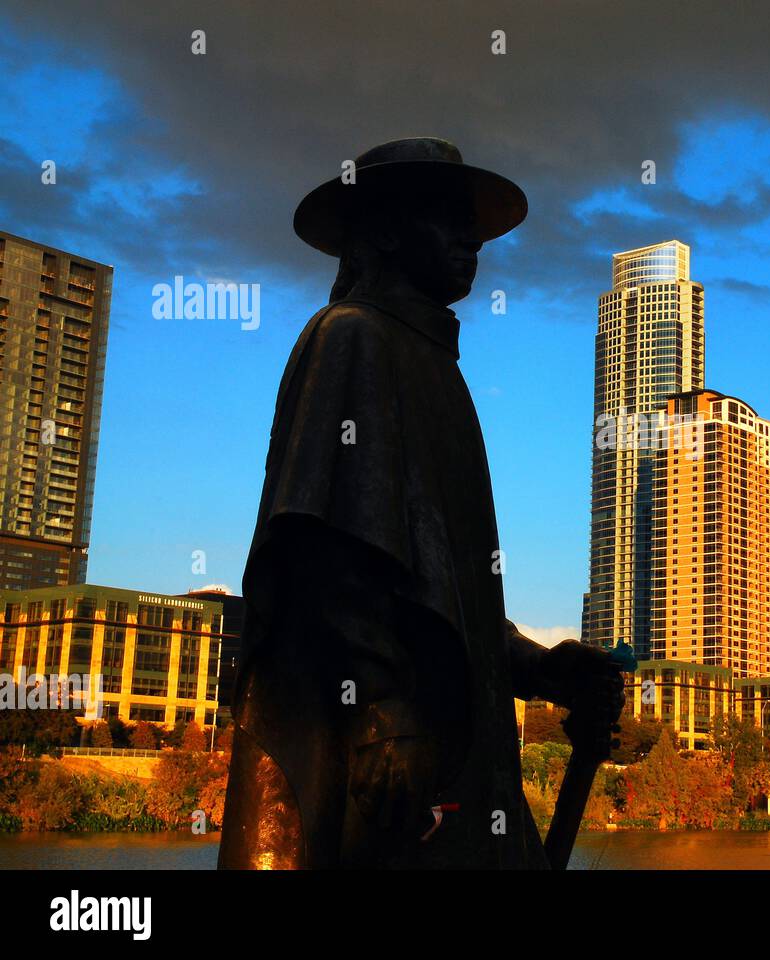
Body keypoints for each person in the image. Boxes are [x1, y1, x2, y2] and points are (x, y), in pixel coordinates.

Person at [217, 138, 624, 869]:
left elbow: (438, 597)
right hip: (381, 772)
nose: (470, 238)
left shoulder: (438, 369)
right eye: (445, 215)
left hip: (445, 759)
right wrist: (377, 712)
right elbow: (322, 551)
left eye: (472, 221)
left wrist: (538, 667)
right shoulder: (350, 339)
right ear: (383, 230)